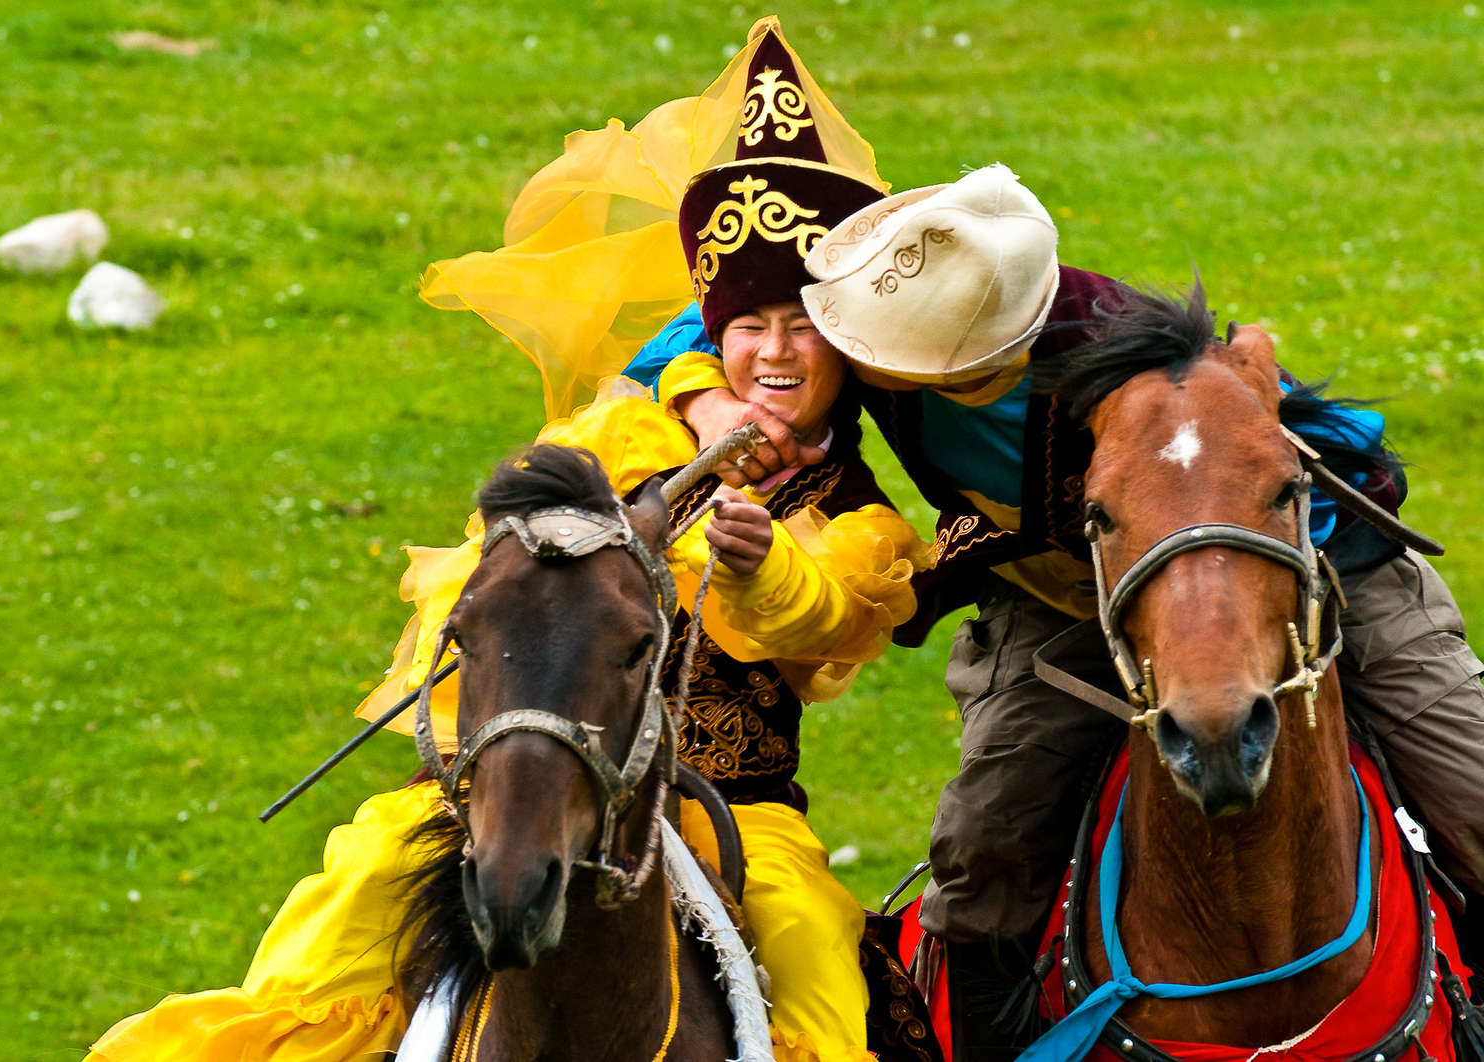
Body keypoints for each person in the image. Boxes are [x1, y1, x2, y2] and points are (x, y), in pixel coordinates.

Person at [85, 27, 931, 1062]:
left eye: (802, 326)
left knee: (814, 955)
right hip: (521, 770)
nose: (776, 352)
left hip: (729, 806)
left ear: (844, 345)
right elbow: (501, 565)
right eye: (748, 328)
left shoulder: (862, 519)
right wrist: (685, 411)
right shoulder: (623, 435)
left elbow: (827, 616)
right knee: (345, 910)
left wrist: (764, 569)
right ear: (712, 338)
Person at [629, 166, 1484, 1057]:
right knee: (982, 852)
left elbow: (1330, 463)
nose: (818, 355)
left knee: (1474, 787)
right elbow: (701, 326)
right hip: (1050, 590)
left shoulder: (1134, 361)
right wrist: (709, 401)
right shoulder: (871, 302)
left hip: (1309, 560)